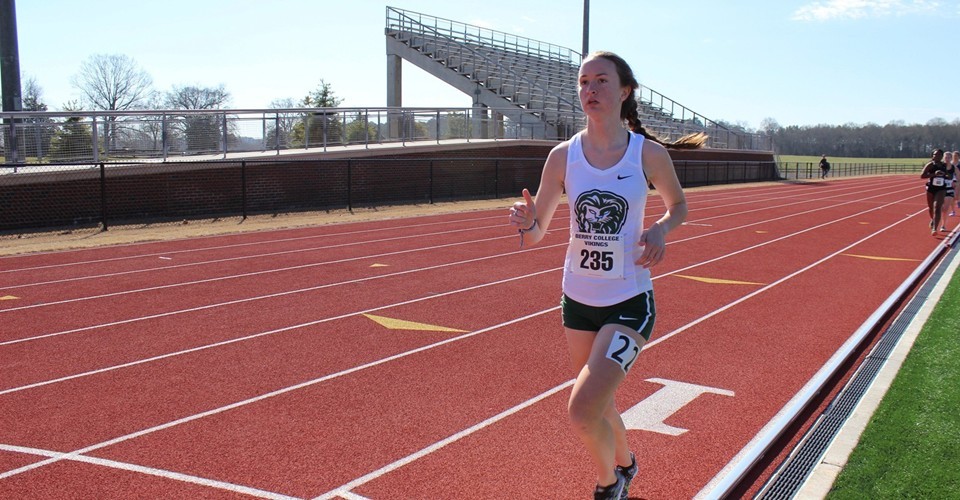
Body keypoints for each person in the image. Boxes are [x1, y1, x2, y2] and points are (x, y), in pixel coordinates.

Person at [508, 50, 705, 500]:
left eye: (600, 81)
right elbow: (538, 231)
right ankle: (628, 462)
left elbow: (680, 207)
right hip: (577, 299)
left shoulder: (646, 154)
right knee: (599, 402)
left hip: (629, 301)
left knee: (582, 411)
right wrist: (525, 221)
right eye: (583, 82)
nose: (589, 90)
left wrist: (659, 228)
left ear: (624, 91)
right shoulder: (563, 157)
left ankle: (609, 484)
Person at [921, 149, 949, 235]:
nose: (937, 156)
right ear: (932, 156)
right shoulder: (930, 165)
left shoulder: (945, 165)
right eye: (935, 155)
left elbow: (950, 175)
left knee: (937, 207)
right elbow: (922, 175)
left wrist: (944, 175)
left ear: (941, 156)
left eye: (939, 155)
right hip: (931, 188)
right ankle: (933, 220)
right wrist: (934, 174)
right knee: (931, 208)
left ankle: (934, 229)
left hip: (941, 189)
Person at [942, 151, 956, 224]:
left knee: (946, 209)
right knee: (939, 208)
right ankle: (935, 221)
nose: (947, 159)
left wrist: (955, 181)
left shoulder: (953, 167)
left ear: (951, 158)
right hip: (940, 189)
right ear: (943, 158)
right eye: (945, 157)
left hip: (949, 189)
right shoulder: (940, 166)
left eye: (948, 157)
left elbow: (958, 176)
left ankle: (943, 225)